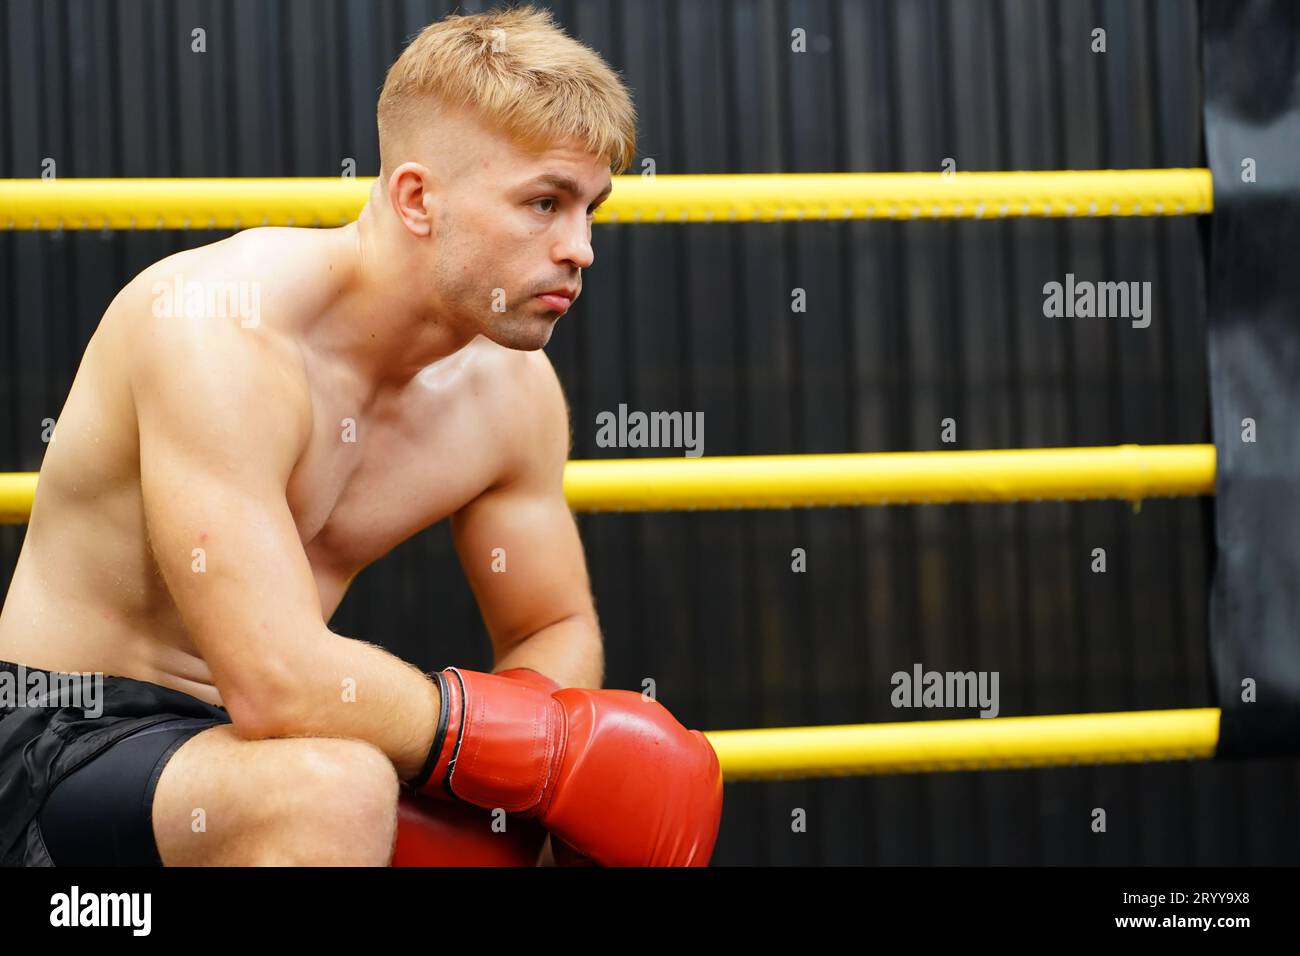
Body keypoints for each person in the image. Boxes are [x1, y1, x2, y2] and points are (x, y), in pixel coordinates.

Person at [0, 5, 722, 867]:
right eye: (543, 203)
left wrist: (528, 767)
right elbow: (276, 678)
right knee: (335, 790)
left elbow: (553, 624)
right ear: (417, 198)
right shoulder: (217, 327)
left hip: (242, 746)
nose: (581, 248)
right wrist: (537, 749)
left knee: (488, 827)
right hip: (56, 743)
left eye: (590, 209)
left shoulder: (512, 391)